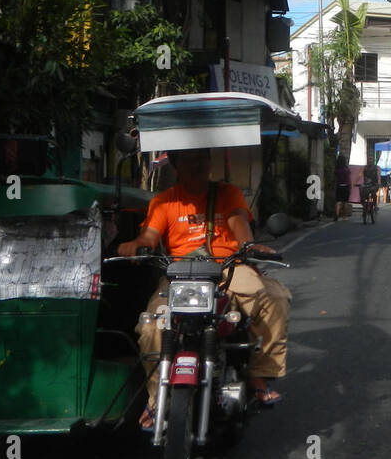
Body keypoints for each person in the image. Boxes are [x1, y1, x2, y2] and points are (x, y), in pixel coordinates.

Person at [118, 147, 292, 427]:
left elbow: (239, 223)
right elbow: (149, 236)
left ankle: (259, 373)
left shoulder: (228, 193)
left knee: (274, 298)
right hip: (180, 276)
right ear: (175, 164)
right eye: (190, 158)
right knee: (151, 325)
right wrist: (136, 246)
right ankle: (155, 400)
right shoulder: (164, 202)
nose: (199, 164)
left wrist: (248, 246)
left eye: (203, 158)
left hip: (227, 269)